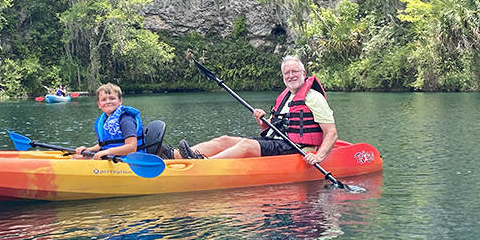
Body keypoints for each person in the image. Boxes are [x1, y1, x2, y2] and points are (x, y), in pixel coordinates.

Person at [176, 56, 338, 164]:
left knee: (246, 145)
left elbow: (331, 133)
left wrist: (319, 156)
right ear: (283, 77)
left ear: (303, 73)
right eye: (287, 73)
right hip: (280, 143)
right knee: (224, 140)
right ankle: (175, 155)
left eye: (294, 72)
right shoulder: (286, 96)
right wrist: (262, 123)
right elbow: (276, 129)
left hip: (298, 148)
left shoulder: (314, 98)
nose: (291, 76)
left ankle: (203, 165)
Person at [74, 83, 145, 160]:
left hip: (129, 162)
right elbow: (106, 144)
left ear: (120, 101)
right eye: (103, 100)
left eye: (112, 98)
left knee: (77, 159)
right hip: (113, 158)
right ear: (99, 104)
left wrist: (107, 152)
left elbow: (131, 147)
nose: (108, 102)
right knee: (77, 156)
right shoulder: (105, 121)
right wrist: (89, 149)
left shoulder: (126, 119)